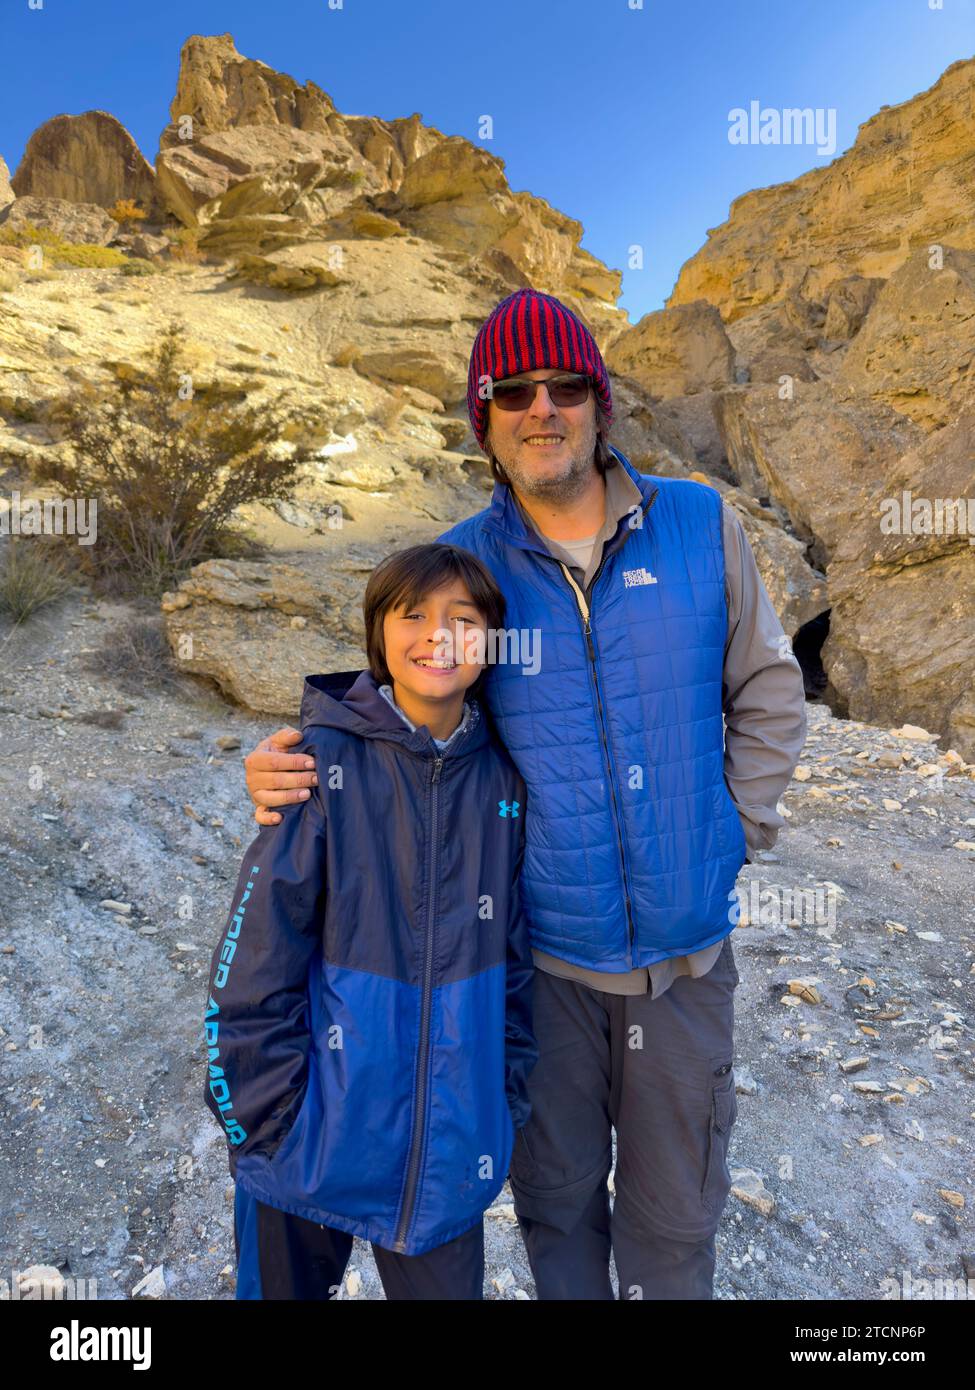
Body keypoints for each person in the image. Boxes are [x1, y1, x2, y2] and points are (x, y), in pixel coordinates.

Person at [241, 288, 808, 1299]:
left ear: (599, 402)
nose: (540, 406)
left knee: (677, 1223)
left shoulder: (698, 522)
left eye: (563, 385)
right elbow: (406, 710)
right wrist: (297, 762)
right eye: (513, 391)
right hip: (540, 967)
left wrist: (737, 831)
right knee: (556, 1205)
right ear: (485, 421)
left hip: (687, 963)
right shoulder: (471, 564)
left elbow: (766, 684)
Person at [204, 542, 538, 1300]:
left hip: (449, 1158)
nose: (437, 635)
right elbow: (254, 963)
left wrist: (501, 1104)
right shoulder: (313, 764)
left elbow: (515, 968)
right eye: (412, 614)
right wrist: (262, 1122)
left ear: (491, 639)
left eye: (463, 617)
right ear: (378, 635)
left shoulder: (505, 776)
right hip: (305, 1145)